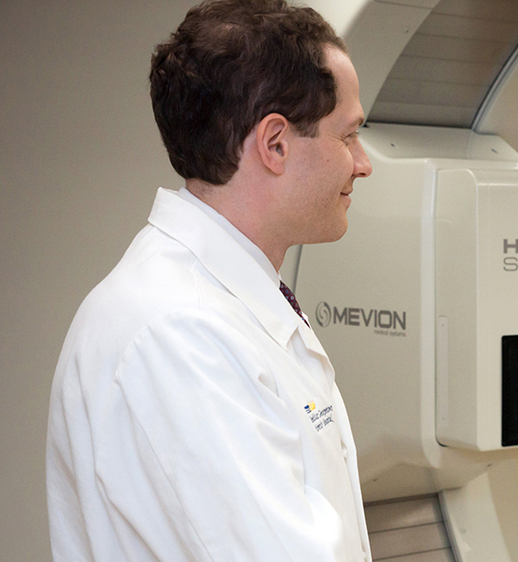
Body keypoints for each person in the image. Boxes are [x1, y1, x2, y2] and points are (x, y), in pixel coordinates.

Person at [45, 1, 373, 560]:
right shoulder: (179, 334)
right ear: (275, 144)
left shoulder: (223, 304)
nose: (362, 163)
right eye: (348, 136)